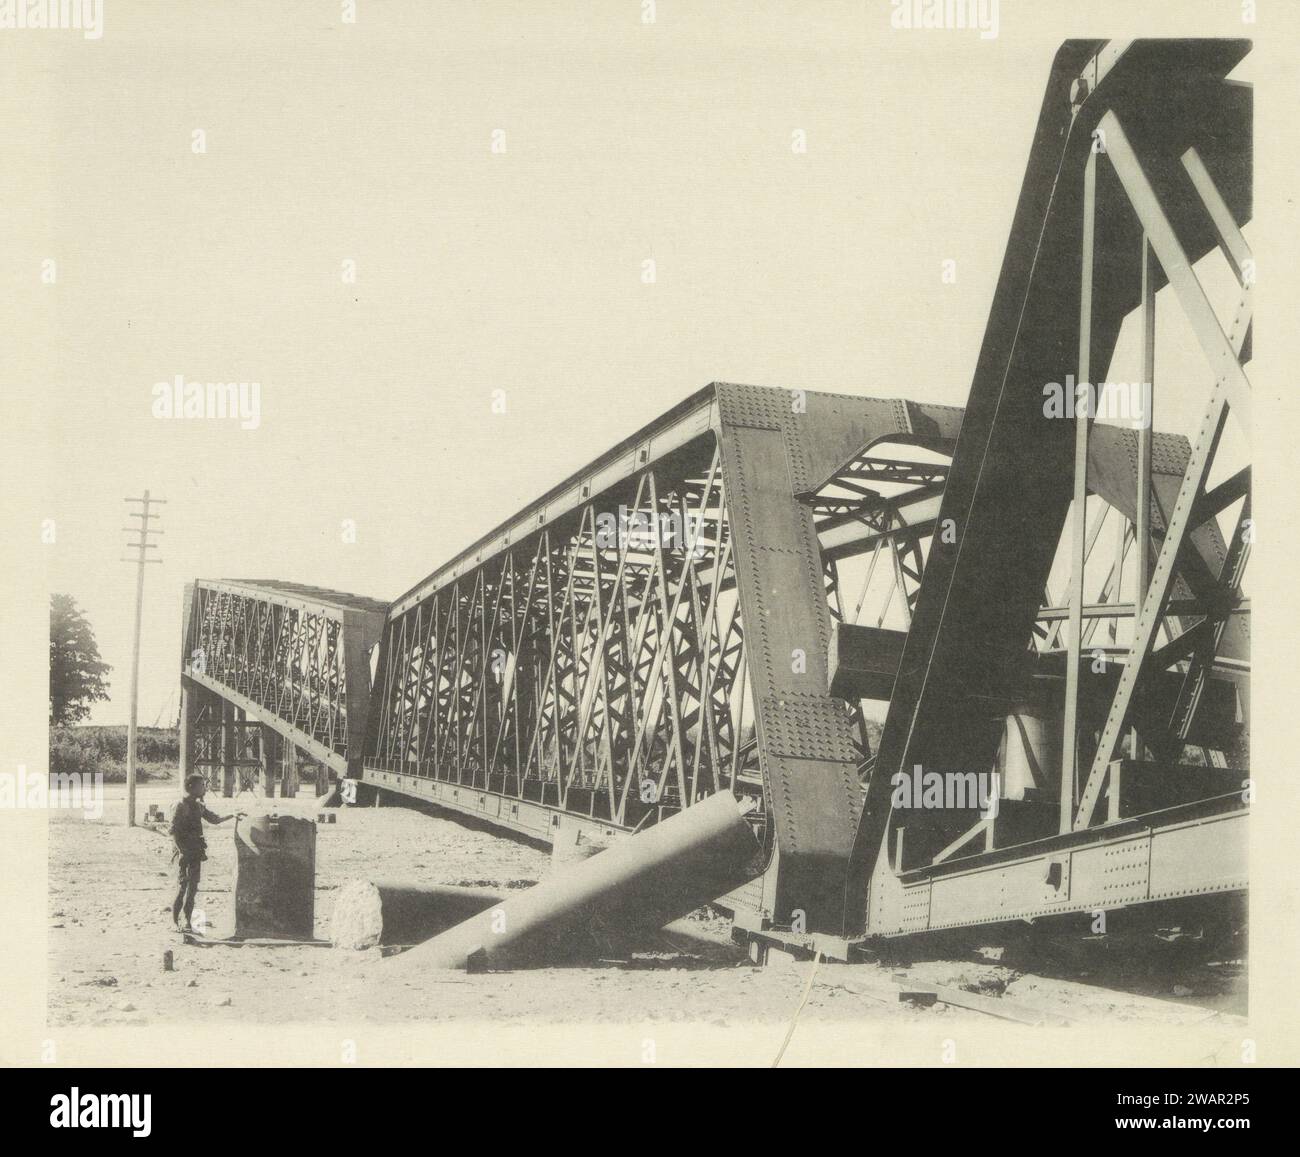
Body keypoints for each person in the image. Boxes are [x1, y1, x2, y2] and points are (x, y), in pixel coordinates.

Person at [169, 774, 242, 933]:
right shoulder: (180, 805)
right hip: (183, 853)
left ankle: (187, 921)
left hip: (196, 852)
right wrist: (181, 852)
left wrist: (233, 815)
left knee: (193, 888)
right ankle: (174, 922)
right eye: (201, 785)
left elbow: (214, 819)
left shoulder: (198, 806)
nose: (205, 788)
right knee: (182, 887)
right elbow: (173, 832)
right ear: (190, 787)